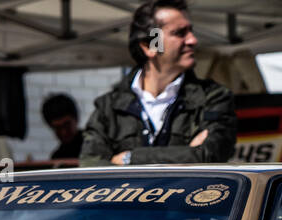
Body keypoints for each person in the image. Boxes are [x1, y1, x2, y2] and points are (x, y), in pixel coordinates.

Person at [80, 0, 236, 167]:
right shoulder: (108, 108)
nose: (192, 40)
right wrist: (186, 154)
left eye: (191, 31)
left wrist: (129, 158)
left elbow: (208, 156)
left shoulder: (213, 97)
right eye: (180, 33)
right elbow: (90, 166)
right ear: (150, 46)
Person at [41, 94, 83, 160]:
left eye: (66, 125)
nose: (63, 132)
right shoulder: (57, 157)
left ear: (76, 119)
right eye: (58, 128)